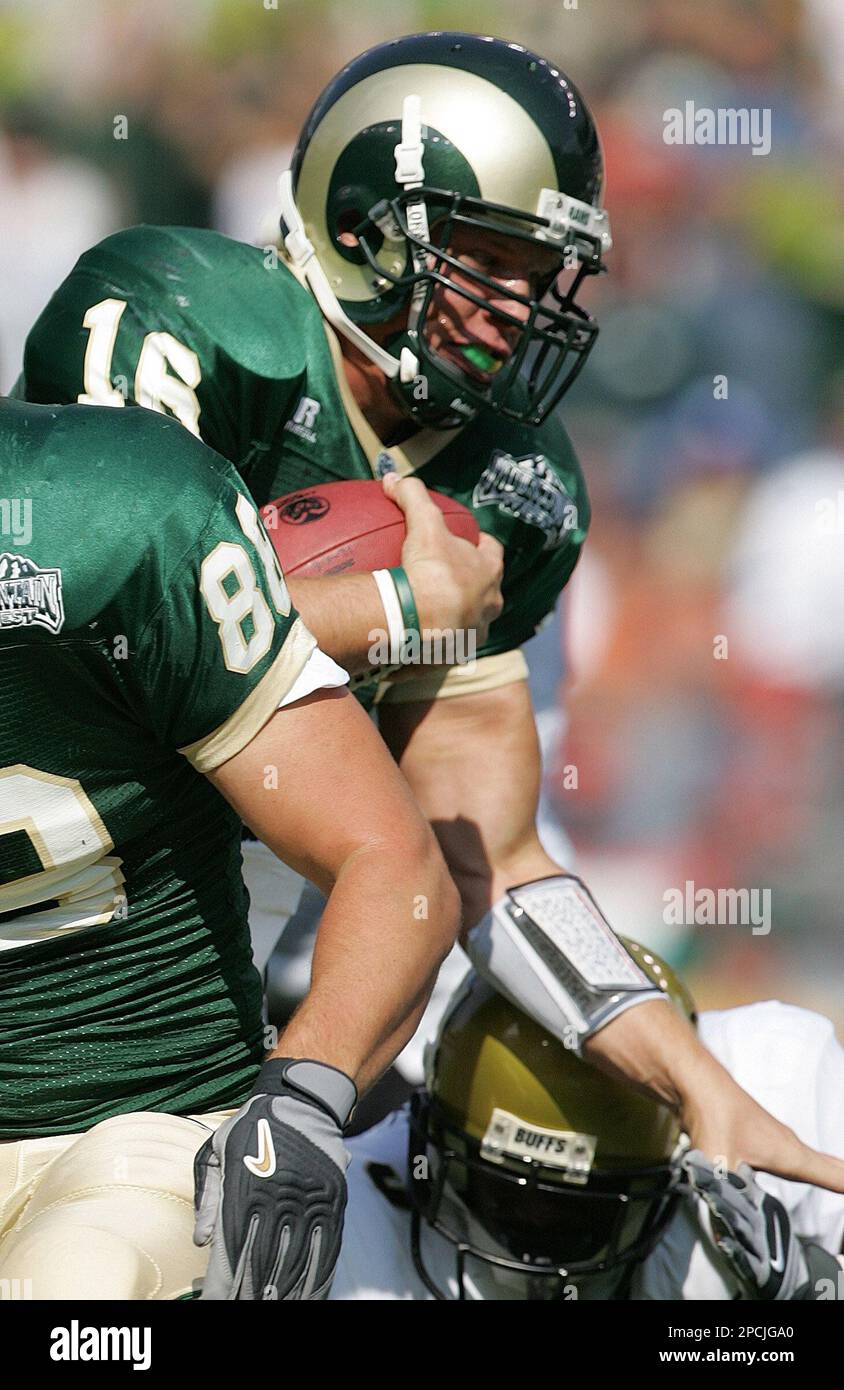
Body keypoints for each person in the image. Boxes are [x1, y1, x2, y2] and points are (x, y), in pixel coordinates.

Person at [12, 31, 844, 1193]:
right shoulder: (185, 313)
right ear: (363, 226)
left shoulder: (512, 479)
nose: (519, 309)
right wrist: (397, 608)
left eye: (541, 271)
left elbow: (488, 852)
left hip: (255, 977)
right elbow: (114, 639)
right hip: (55, 922)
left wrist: (686, 1071)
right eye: (488, 259)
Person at [0, 397, 459, 1300]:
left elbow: (392, 865)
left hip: (124, 1139)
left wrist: (301, 1100)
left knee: (77, 1286)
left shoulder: (110, 512)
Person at [330, 951, 844, 1301]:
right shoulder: (348, 1222)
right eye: (509, 1195)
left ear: (677, 1157)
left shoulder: (782, 1083)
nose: (537, 1232)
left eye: (571, 1208)